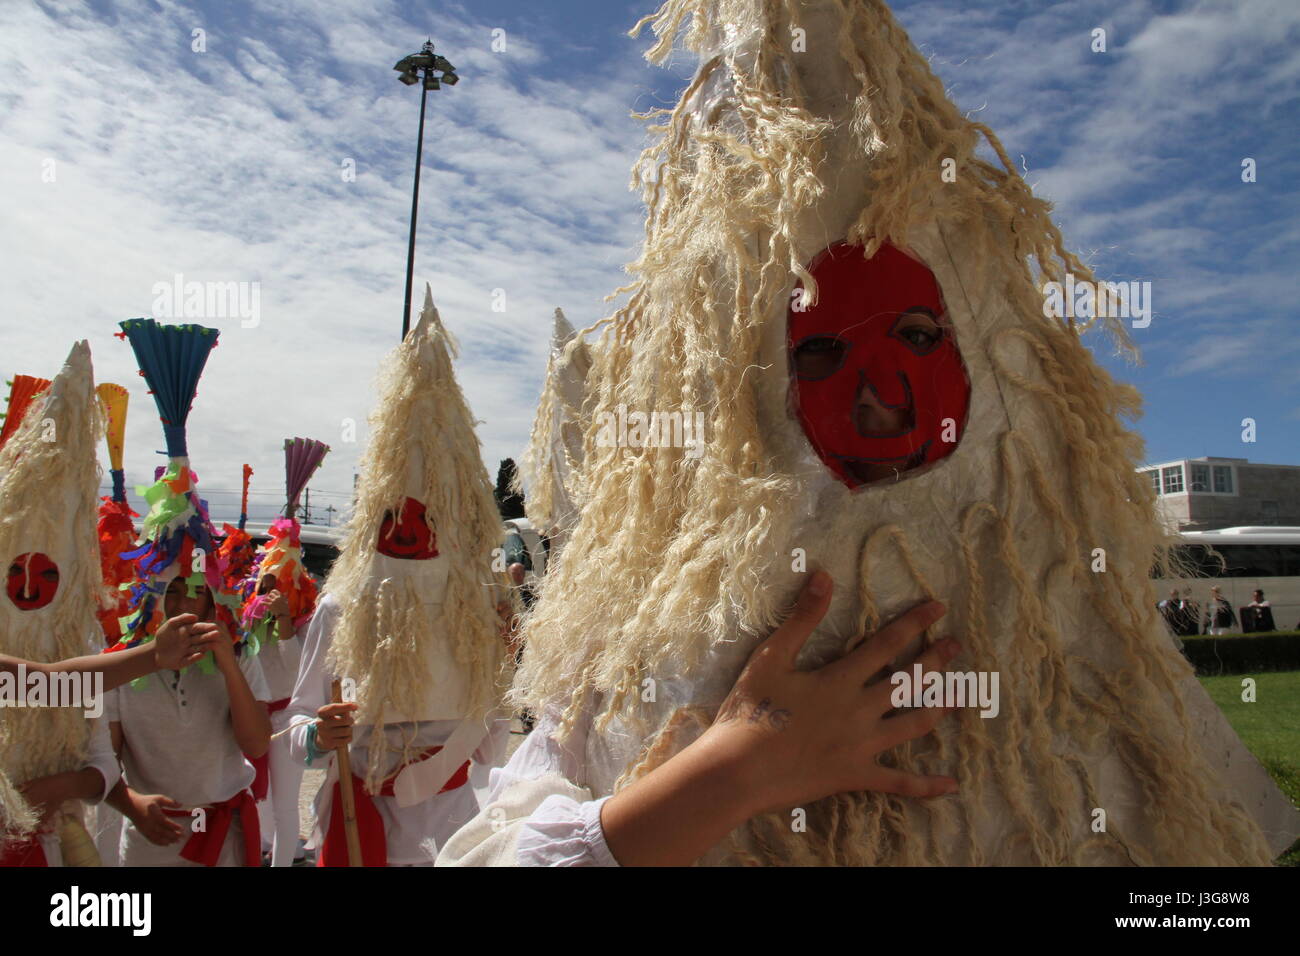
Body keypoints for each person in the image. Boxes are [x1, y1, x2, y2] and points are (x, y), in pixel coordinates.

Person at [104, 577, 271, 866]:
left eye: (196, 593)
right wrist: (131, 805)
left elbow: (256, 745)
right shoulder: (121, 663)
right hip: (151, 838)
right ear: (152, 594)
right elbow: (104, 761)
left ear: (212, 598)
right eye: (172, 592)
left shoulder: (240, 653)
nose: (181, 605)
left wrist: (228, 663)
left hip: (224, 837)